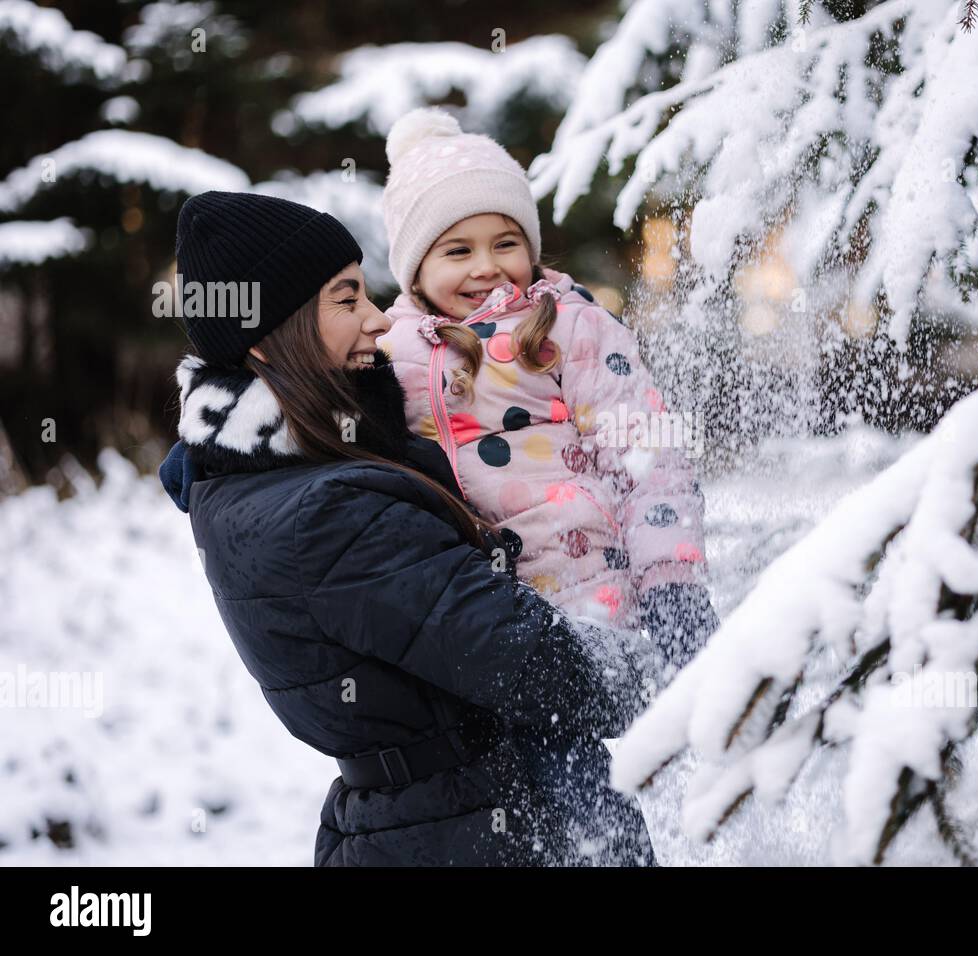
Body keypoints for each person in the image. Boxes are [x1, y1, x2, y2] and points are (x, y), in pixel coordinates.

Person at [158, 190, 656, 866]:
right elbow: (533, 663)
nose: (375, 320)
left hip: (426, 822)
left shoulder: (244, 476)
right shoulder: (330, 515)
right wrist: (681, 678)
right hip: (468, 834)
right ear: (266, 336)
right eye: (345, 299)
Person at [378, 107, 719, 675]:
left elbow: (648, 455)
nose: (487, 267)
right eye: (457, 250)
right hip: (481, 621)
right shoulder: (390, 352)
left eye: (505, 243)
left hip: (596, 598)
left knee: (598, 759)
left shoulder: (567, 326)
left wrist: (671, 582)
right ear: (415, 268)